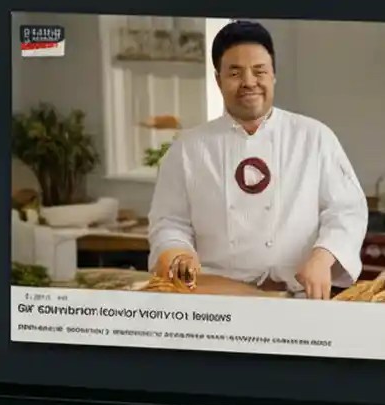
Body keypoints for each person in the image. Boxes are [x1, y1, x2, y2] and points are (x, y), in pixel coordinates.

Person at [147, 20, 367, 300]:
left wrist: (322, 258)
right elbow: (169, 223)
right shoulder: (187, 149)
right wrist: (178, 254)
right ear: (218, 79)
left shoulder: (315, 138)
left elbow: (347, 211)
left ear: (273, 74)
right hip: (217, 299)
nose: (249, 82)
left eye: (259, 71)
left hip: (298, 299)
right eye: (235, 73)